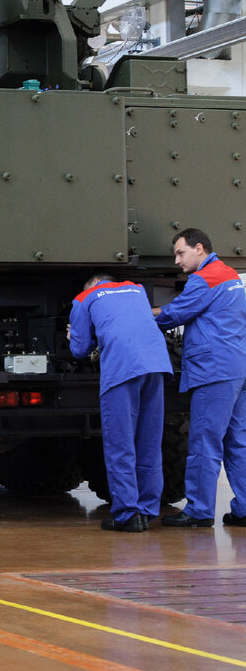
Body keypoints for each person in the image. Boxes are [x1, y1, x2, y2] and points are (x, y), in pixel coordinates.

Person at [152, 228, 246, 527]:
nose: (177, 260)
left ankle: (199, 510)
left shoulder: (204, 279)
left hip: (214, 371)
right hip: (237, 368)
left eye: (181, 253)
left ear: (199, 248)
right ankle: (244, 509)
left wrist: (133, 311)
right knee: (238, 442)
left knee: (205, 442)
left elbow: (171, 315)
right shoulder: (230, 274)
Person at [68, 274, 173, 532]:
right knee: (149, 442)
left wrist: (74, 337)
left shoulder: (84, 298)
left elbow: (80, 351)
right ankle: (147, 511)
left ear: (91, 285)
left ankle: (127, 514)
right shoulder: (136, 290)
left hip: (122, 368)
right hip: (156, 366)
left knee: (121, 444)